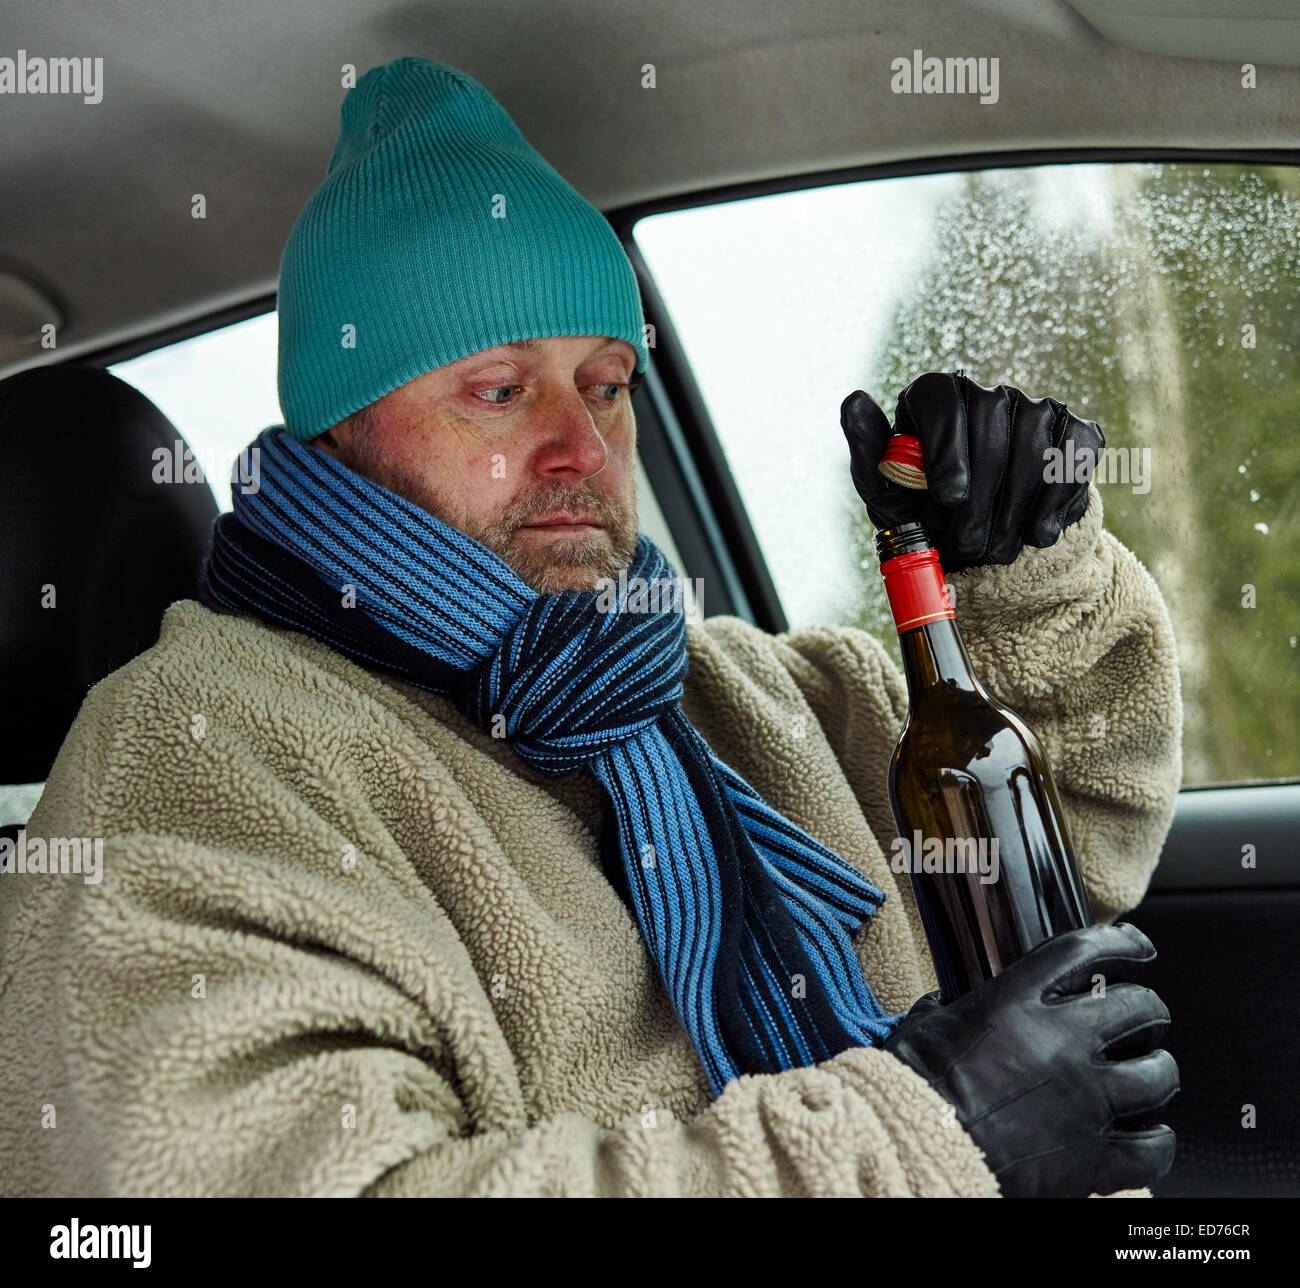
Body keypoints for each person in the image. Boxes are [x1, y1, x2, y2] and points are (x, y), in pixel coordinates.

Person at [0, 57, 1180, 1198]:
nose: (580, 449)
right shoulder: (199, 763)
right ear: (341, 428)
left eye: (605, 383)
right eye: (500, 389)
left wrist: (1023, 564)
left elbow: (1071, 862)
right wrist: (926, 1134)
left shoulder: (756, 700)